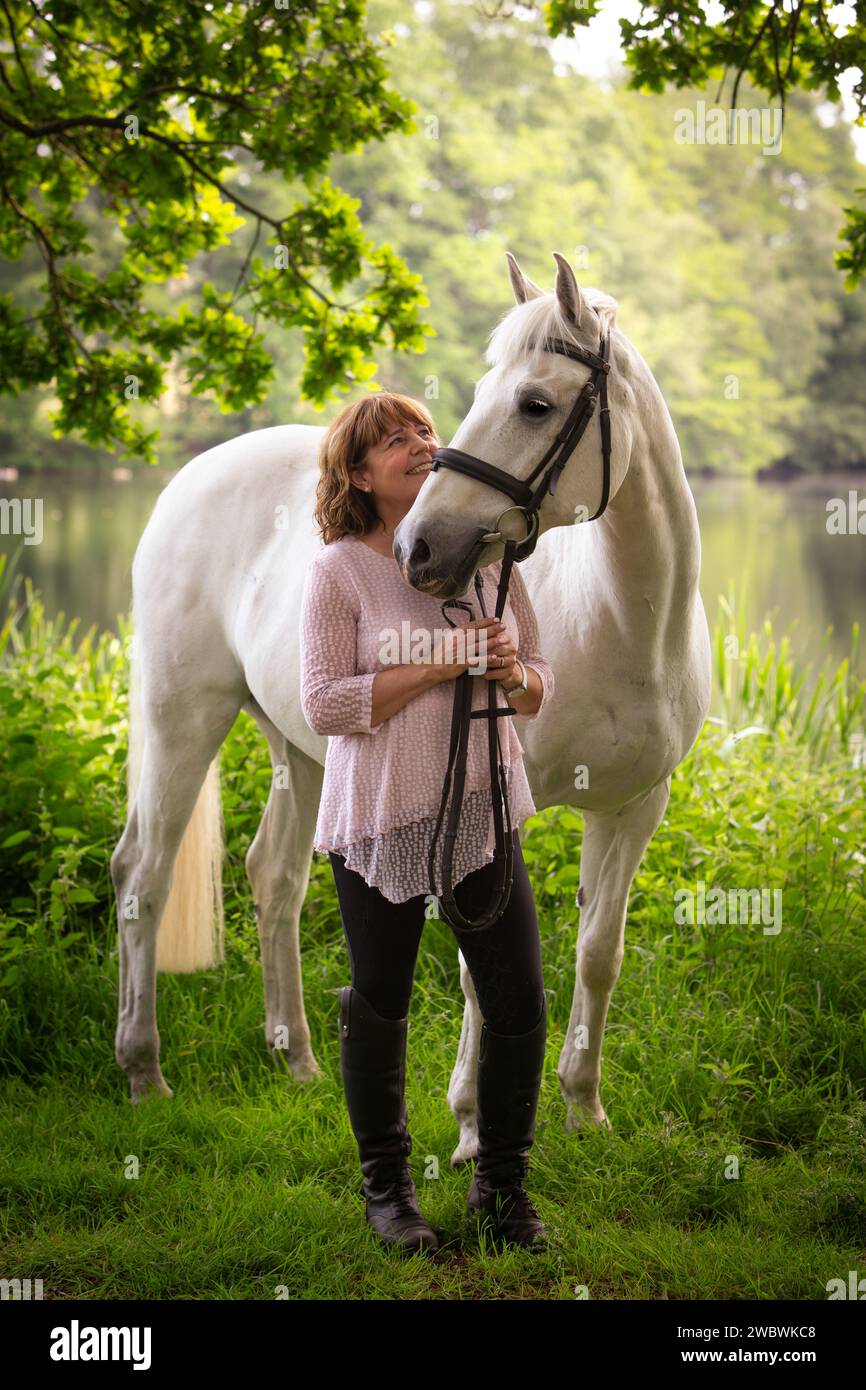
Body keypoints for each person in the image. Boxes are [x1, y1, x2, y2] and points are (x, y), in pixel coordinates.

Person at [299, 392, 555, 1255]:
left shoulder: (489, 559)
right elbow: (326, 703)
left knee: (518, 1001)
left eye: (423, 432)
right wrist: (445, 659)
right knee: (381, 1001)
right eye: (391, 440)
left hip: (484, 810)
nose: (418, 444)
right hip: (380, 821)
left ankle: (501, 1193)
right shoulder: (340, 570)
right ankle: (389, 1196)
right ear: (358, 474)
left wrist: (516, 671)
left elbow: (539, 684)